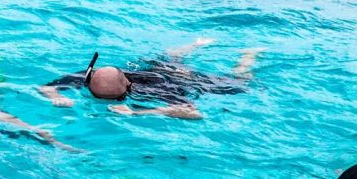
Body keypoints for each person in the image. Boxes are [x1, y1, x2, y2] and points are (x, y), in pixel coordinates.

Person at [38, 39, 261, 120]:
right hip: (161, 71)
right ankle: (197, 43)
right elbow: (45, 88)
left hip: (178, 81)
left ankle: (248, 56)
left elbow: (193, 112)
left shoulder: (154, 92)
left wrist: (138, 113)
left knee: (241, 83)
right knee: (168, 60)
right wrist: (55, 96)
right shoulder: (88, 77)